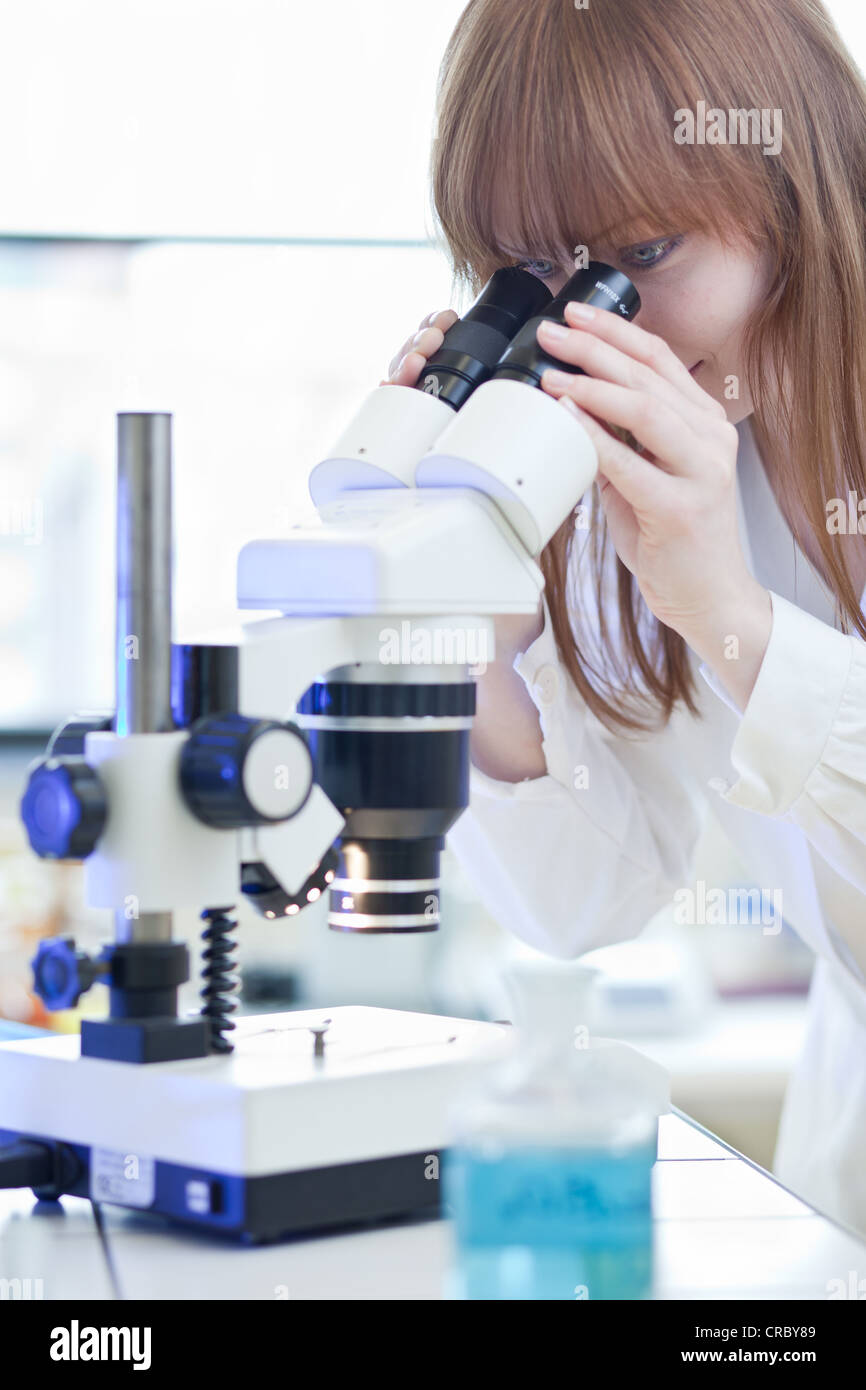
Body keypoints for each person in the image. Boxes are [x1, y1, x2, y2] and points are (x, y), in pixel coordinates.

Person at [384, 0, 866, 1239]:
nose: (589, 328)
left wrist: (730, 617)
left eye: (640, 254)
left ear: (798, 196)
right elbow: (579, 906)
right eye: (534, 278)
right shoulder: (645, 488)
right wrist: (471, 617)